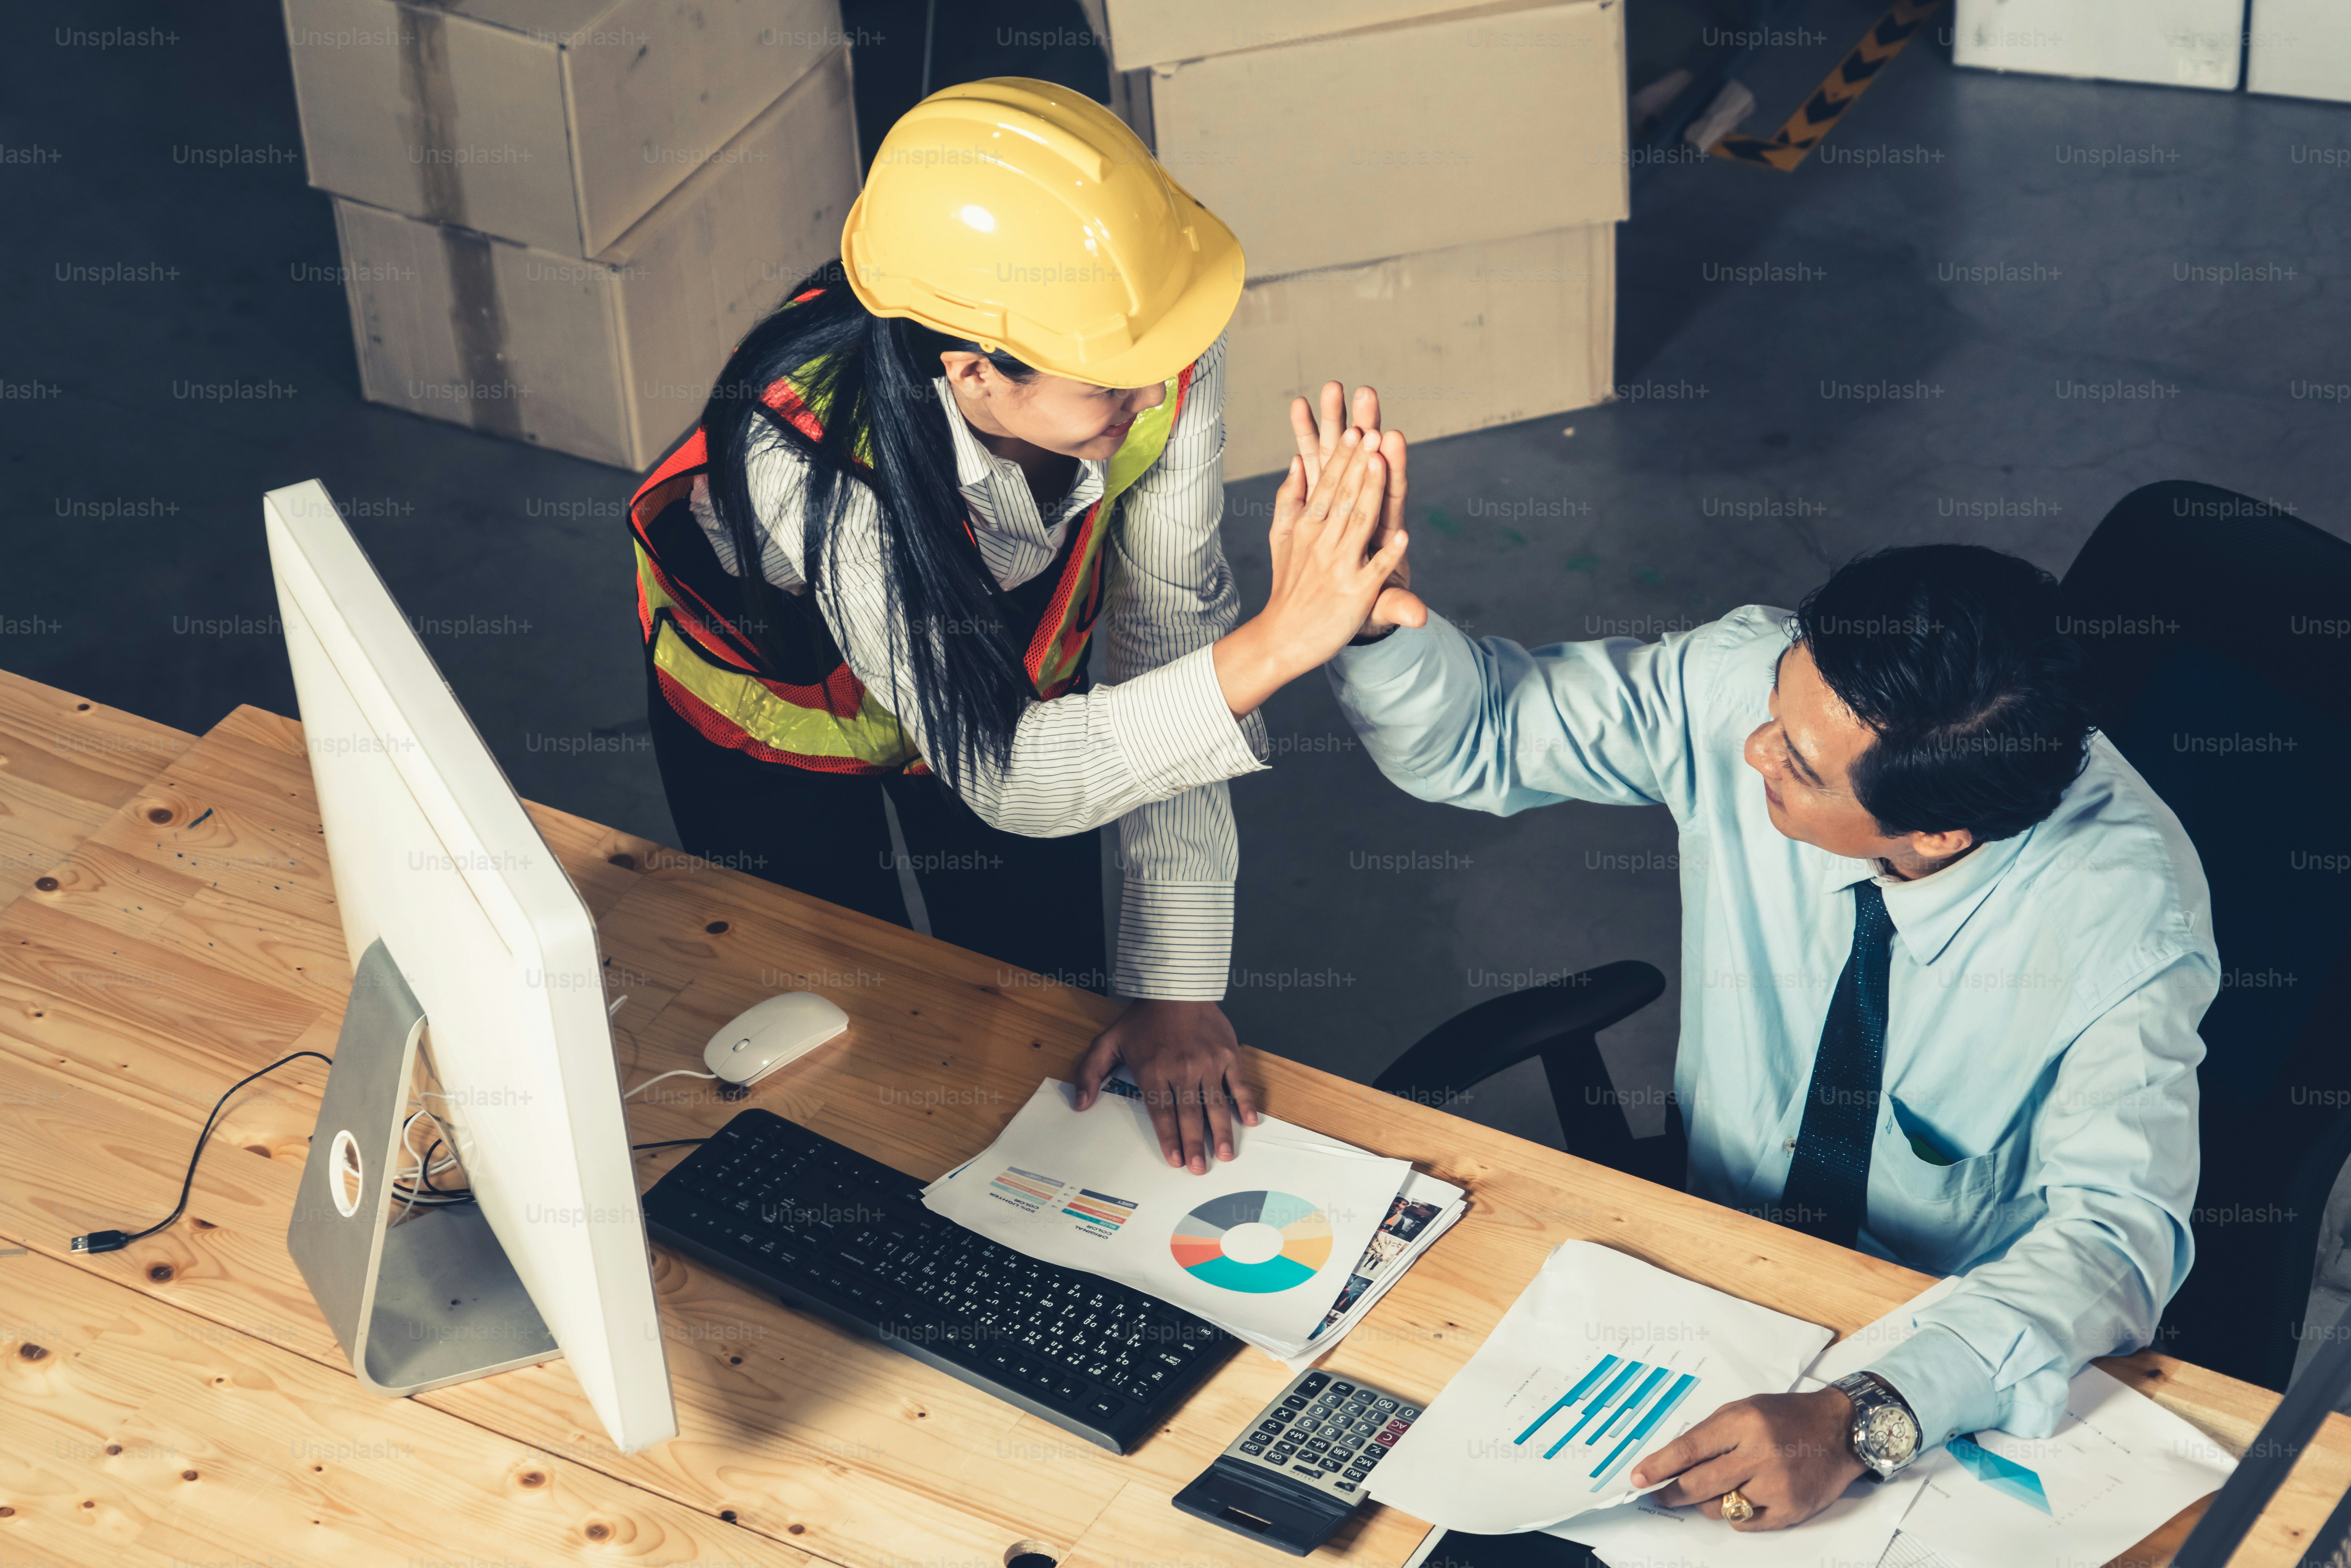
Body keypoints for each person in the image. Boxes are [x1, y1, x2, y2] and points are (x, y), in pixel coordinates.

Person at [1326, 542, 2216, 1529]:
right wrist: (1372, 624)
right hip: (1705, 1264)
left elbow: (2115, 1242)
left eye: (1797, 762)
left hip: (1937, 1341)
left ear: (1936, 837)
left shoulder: (2126, 918)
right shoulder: (1757, 690)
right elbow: (1480, 731)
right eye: (1776, 710)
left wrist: (1865, 1417)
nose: (1754, 748)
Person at [630, 78, 1421, 1173]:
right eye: (1111, 389)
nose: (1159, 396)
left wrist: (1175, 990)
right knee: (824, 1068)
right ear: (971, 371)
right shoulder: (800, 452)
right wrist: (1284, 639)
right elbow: (1006, 775)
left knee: (1036, 1027)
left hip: (1016, 700)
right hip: (781, 751)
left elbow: (1165, 638)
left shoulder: (1140, 333)